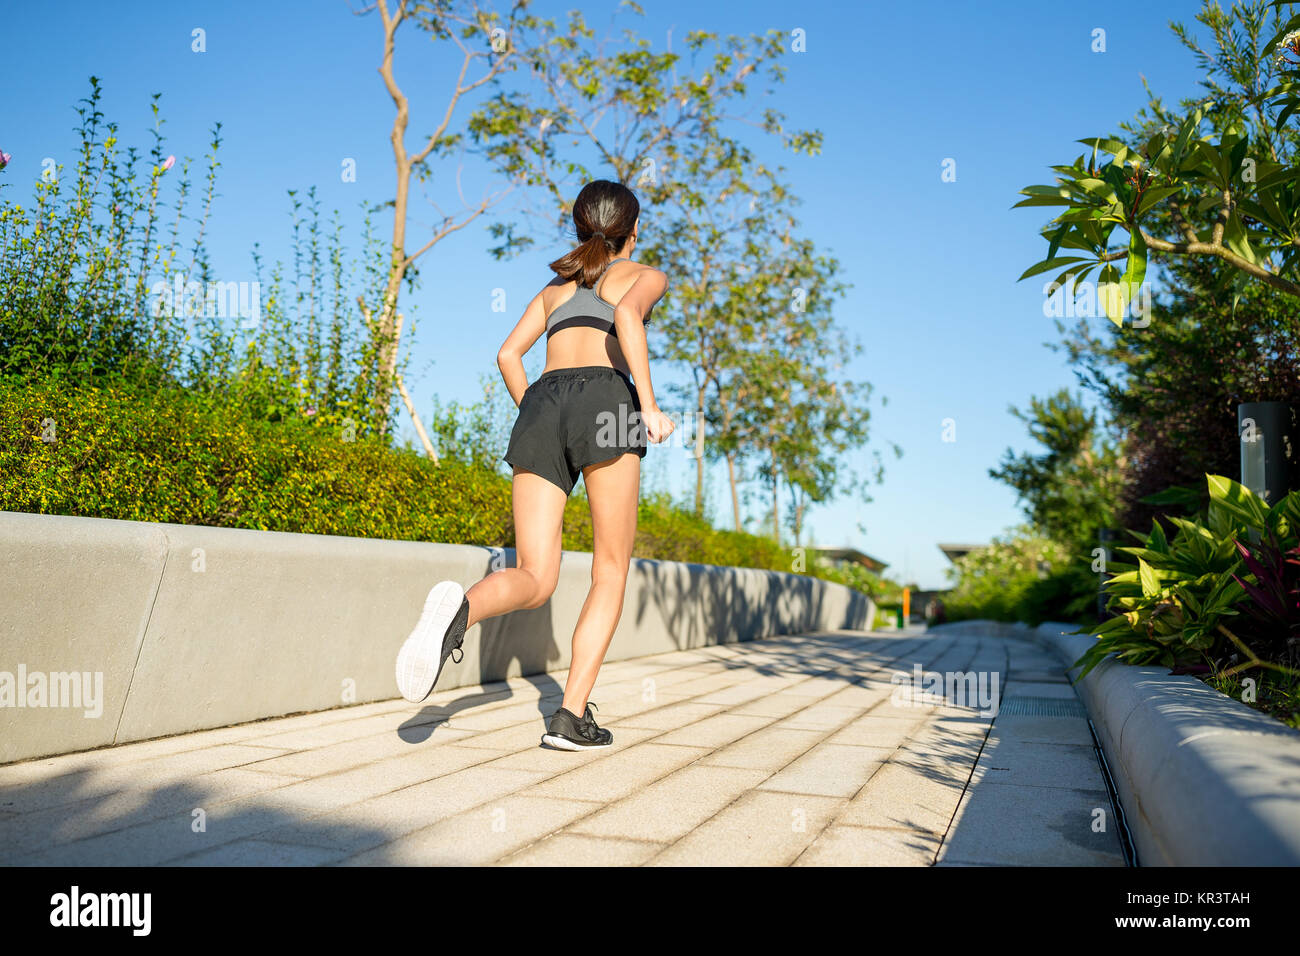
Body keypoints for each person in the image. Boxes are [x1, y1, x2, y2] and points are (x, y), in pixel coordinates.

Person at [394, 180, 674, 750]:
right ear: (634, 229)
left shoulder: (554, 288)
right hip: (606, 404)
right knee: (611, 570)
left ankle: (461, 608)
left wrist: (543, 417)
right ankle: (570, 717)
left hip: (542, 401)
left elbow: (506, 354)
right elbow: (625, 320)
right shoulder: (646, 276)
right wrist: (647, 405)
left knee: (535, 575)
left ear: (577, 227)